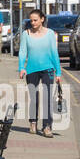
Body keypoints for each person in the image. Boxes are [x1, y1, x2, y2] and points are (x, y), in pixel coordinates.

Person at [18, 9, 61, 137]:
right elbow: (22, 51)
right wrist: (21, 67)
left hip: (48, 69)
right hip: (31, 70)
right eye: (31, 20)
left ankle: (47, 127)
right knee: (34, 98)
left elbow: (54, 53)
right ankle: (33, 123)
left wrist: (58, 72)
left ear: (42, 19)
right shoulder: (26, 34)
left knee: (47, 98)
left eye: (35, 20)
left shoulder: (50, 34)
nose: (33, 23)